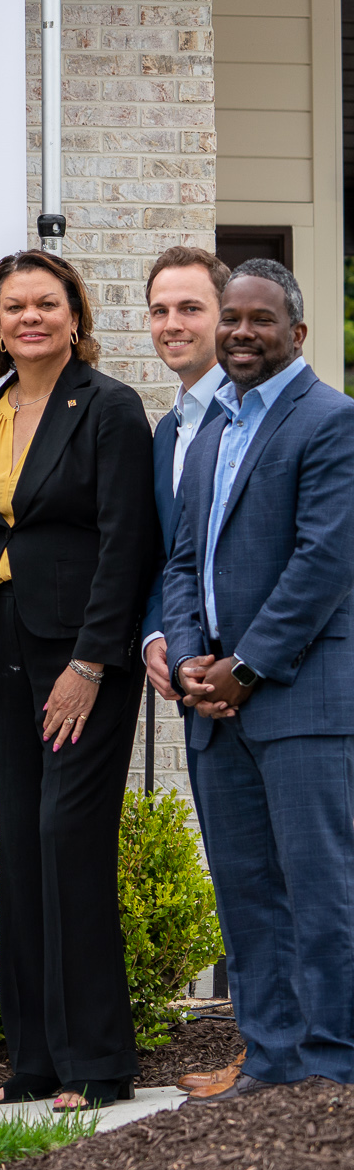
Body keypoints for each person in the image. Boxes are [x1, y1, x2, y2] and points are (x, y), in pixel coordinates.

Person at [0, 250, 157, 1112]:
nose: (29, 318)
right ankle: (33, 1061)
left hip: (81, 660)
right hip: (3, 655)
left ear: (74, 315)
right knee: (25, 851)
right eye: (13, 307)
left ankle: (98, 1062)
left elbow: (126, 544)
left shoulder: (109, 408)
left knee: (71, 845)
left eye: (46, 303)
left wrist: (91, 664)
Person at [163, 259, 354, 1102]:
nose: (240, 333)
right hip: (217, 709)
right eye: (230, 319)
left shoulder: (331, 422)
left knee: (321, 891)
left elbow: (323, 562)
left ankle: (332, 1065)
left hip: (302, 699)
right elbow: (180, 559)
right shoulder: (213, 429)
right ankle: (271, 1060)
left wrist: (246, 666)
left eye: (259, 320)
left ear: (297, 334)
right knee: (246, 894)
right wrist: (190, 658)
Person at [133, 246, 245, 1094]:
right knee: (241, 877)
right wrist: (157, 642)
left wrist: (238, 663)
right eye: (162, 311)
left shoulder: (258, 417)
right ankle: (263, 1051)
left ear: (226, 317)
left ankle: (306, 1058)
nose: (175, 325)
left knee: (294, 877)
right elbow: (163, 557)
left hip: (264, 690)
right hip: (195, 691)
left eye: (191, 309)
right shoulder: (167, 429)